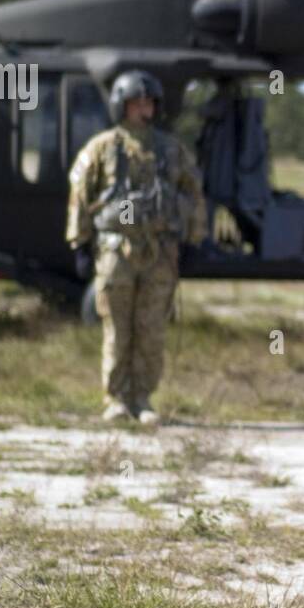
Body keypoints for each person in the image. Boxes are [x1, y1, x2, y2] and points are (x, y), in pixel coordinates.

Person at [66, 70, 209, 424]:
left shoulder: (172, 150)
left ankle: (143, 398)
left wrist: (194, 240)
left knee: (151, 328)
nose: (143, 111)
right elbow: (80, 196)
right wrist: (79, 243)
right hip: (116, 251)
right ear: (121, 106)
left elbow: (193, 194)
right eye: (136, 104)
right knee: (118, 327)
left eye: (148, 104)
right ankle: (116, 398)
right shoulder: (103, 148)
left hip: (160, 252)